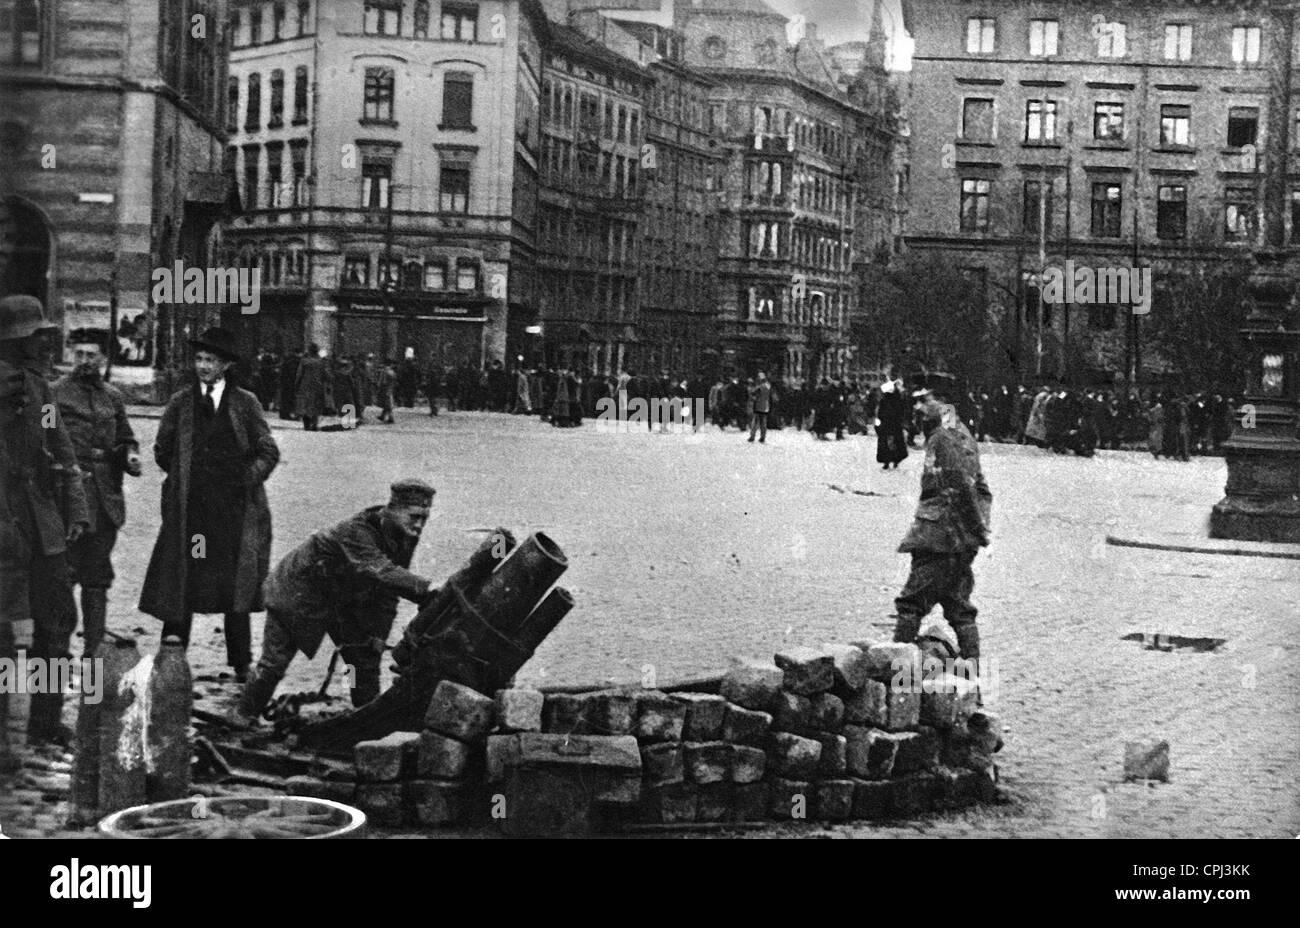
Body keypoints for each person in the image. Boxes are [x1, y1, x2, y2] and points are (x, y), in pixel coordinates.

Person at [229, 479, 440, 724]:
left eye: (424, 518)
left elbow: (389, 589)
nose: (419, 524)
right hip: (298, 593)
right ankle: (242, 714)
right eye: (413, 516)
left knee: (362, 659)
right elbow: (379, 570)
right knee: (274, 662)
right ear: (391, 510)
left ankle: (365, 718)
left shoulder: (404, 535)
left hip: (340, 599)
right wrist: (427, 588)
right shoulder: (356, 531)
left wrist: (378, 635)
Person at [139, 328, 280, 682]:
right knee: (182, 580)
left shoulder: (245, 403)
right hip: (191, 512)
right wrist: (187, 479)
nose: (203, 366)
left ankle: (241, 663)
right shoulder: (181, 402)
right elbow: (162, 449)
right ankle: (172, 659)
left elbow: (268, 451)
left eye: (211, 360)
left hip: (233, 512)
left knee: (236, 586)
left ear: (226, 365)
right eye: (199, 359)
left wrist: (246, 478)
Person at [0, 296, 90, 755]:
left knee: (56, 620)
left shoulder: (42, 390)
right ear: (14, 339)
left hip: (41, 522)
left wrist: (75, 509)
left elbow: (61, 449)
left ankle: (45, 720)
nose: (44, 344)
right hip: (3, 525)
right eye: (36, 336)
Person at [891, 379, 993, 666]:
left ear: (944, 400)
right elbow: (982, 488)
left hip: (939, 537)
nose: (918, 406)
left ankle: (898, 684)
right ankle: (972, 681)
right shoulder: (960, 432)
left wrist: (978, 529)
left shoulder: (943, 437)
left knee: (911, 605)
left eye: (925, 399)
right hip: (957, 538)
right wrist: (979, 529)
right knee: (959, 607)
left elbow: (961, 486)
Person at [53, 329, 143, 653]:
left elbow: (126, 437)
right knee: (64, 578)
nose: (85, 361)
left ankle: (94, 651)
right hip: (69, 500)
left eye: (92, 355)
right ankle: (57, 648)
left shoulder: (112, 397)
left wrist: (130, 455)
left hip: (105, 501)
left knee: (98, 578)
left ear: (103, 357)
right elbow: (43, 440)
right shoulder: (55, 395)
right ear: (71, 355)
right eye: (79, 354)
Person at [295, 343, 330, 431]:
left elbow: (299, 374)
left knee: (305, 404)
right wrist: (328, 383)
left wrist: (296, 384)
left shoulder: (304, 361)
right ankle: (314, 424)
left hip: (305, 385)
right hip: (317, 386)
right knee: (315, 405)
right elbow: (326, 374)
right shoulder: (321, 362)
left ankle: (306, 424)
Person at [875, 379, 908, 469]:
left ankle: (886, 461)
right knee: (896, 443)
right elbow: (902, 412)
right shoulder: (898, 400)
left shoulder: (884, 400)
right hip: (895, 425)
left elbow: (880, 413)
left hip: (886, 425)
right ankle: (896, 460)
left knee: (885, 443)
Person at [748, 371, 771, 443]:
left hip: (758, 406)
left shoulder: (759, 387)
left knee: (755, 422)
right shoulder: (768, 386)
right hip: (765, 407)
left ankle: (752, 436)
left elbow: (753, 394)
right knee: (763, 423)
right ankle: (762, 437)